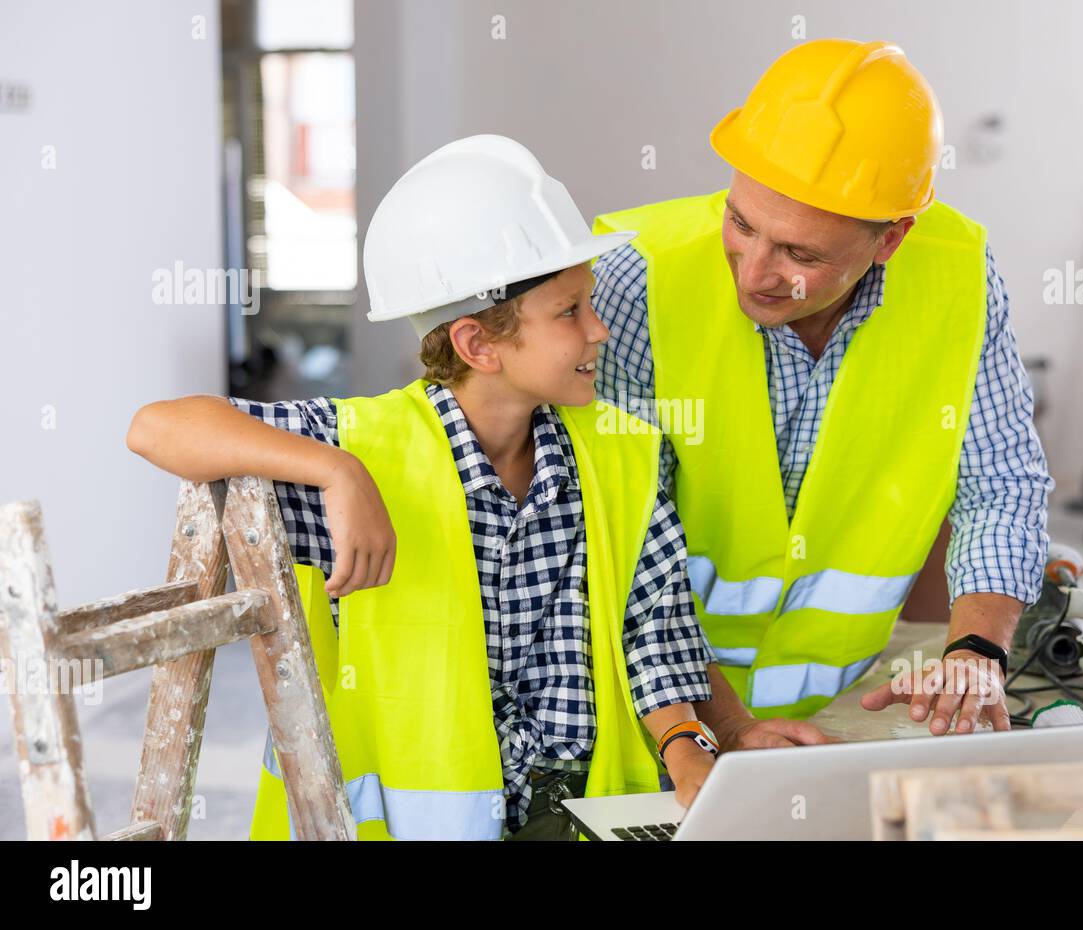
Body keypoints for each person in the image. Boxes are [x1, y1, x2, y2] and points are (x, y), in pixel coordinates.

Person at [127, 135, 718, 840]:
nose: (600, 330)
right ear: (477, 345)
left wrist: (688, 747)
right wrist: (338, 471)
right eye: (570, 311)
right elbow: (157, 427)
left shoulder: (626, 453)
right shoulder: (365, 447)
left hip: (580, 817)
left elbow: (654, 634)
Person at [591, 40, 1056, 740]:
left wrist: (975, 651)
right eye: (741, 223)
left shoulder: (957, 278)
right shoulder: (636, 282)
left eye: (800, 254)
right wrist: (728, 726)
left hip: (837, 713)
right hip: (656, 715)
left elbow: (1001, 484)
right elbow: (616, 538)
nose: (754, 274)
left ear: (890, 239)